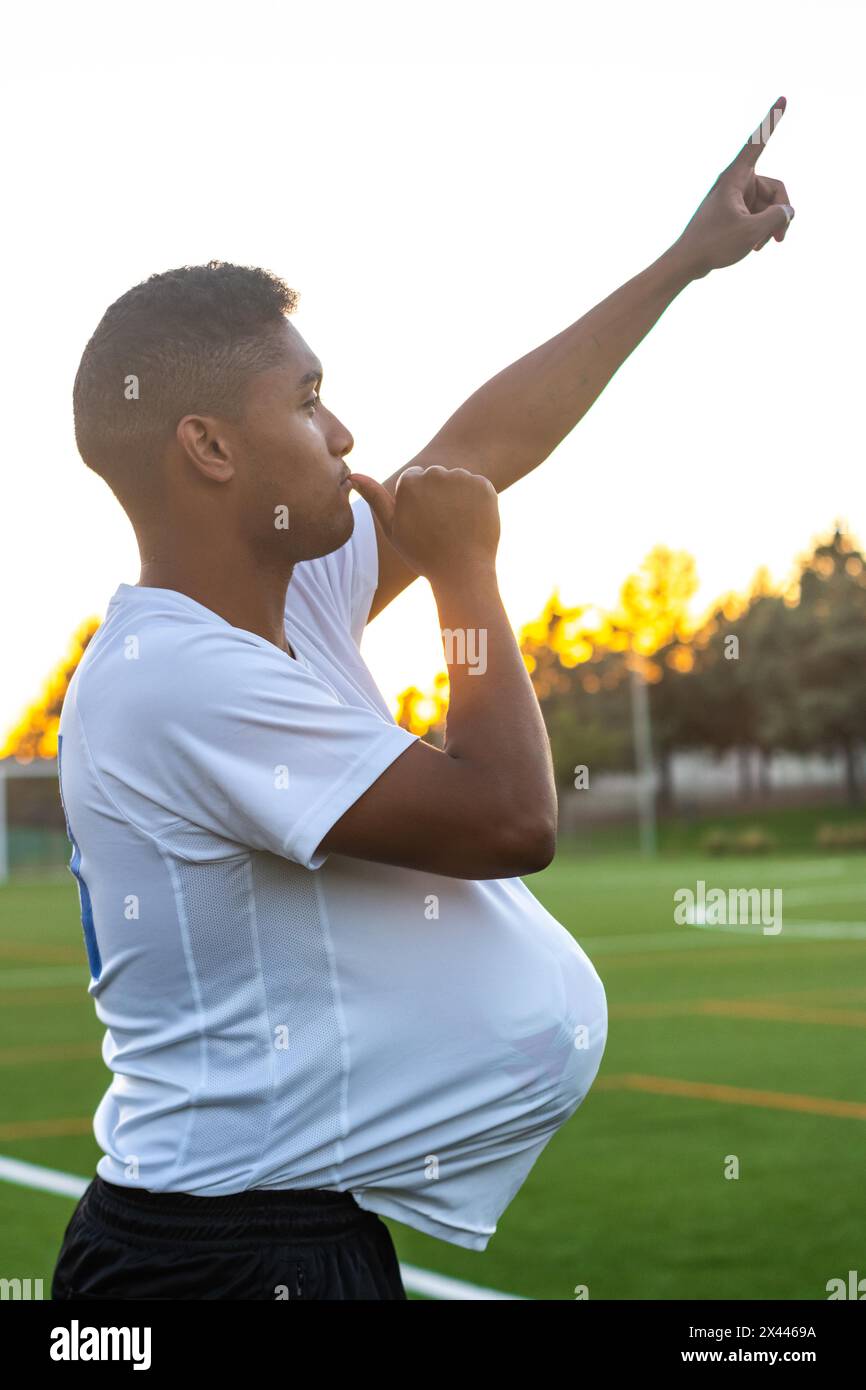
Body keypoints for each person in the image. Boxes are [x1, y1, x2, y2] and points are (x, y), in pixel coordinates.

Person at [51, 99, 793, 1300]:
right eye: (306, 400)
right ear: (208, 446)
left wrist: (682, 261)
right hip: (223, 1261)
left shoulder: (274, 603)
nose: (344, 434)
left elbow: (478, 444)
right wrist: (464, 571)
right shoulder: (178, 679)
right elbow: (507, 820)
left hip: (281, 1230)